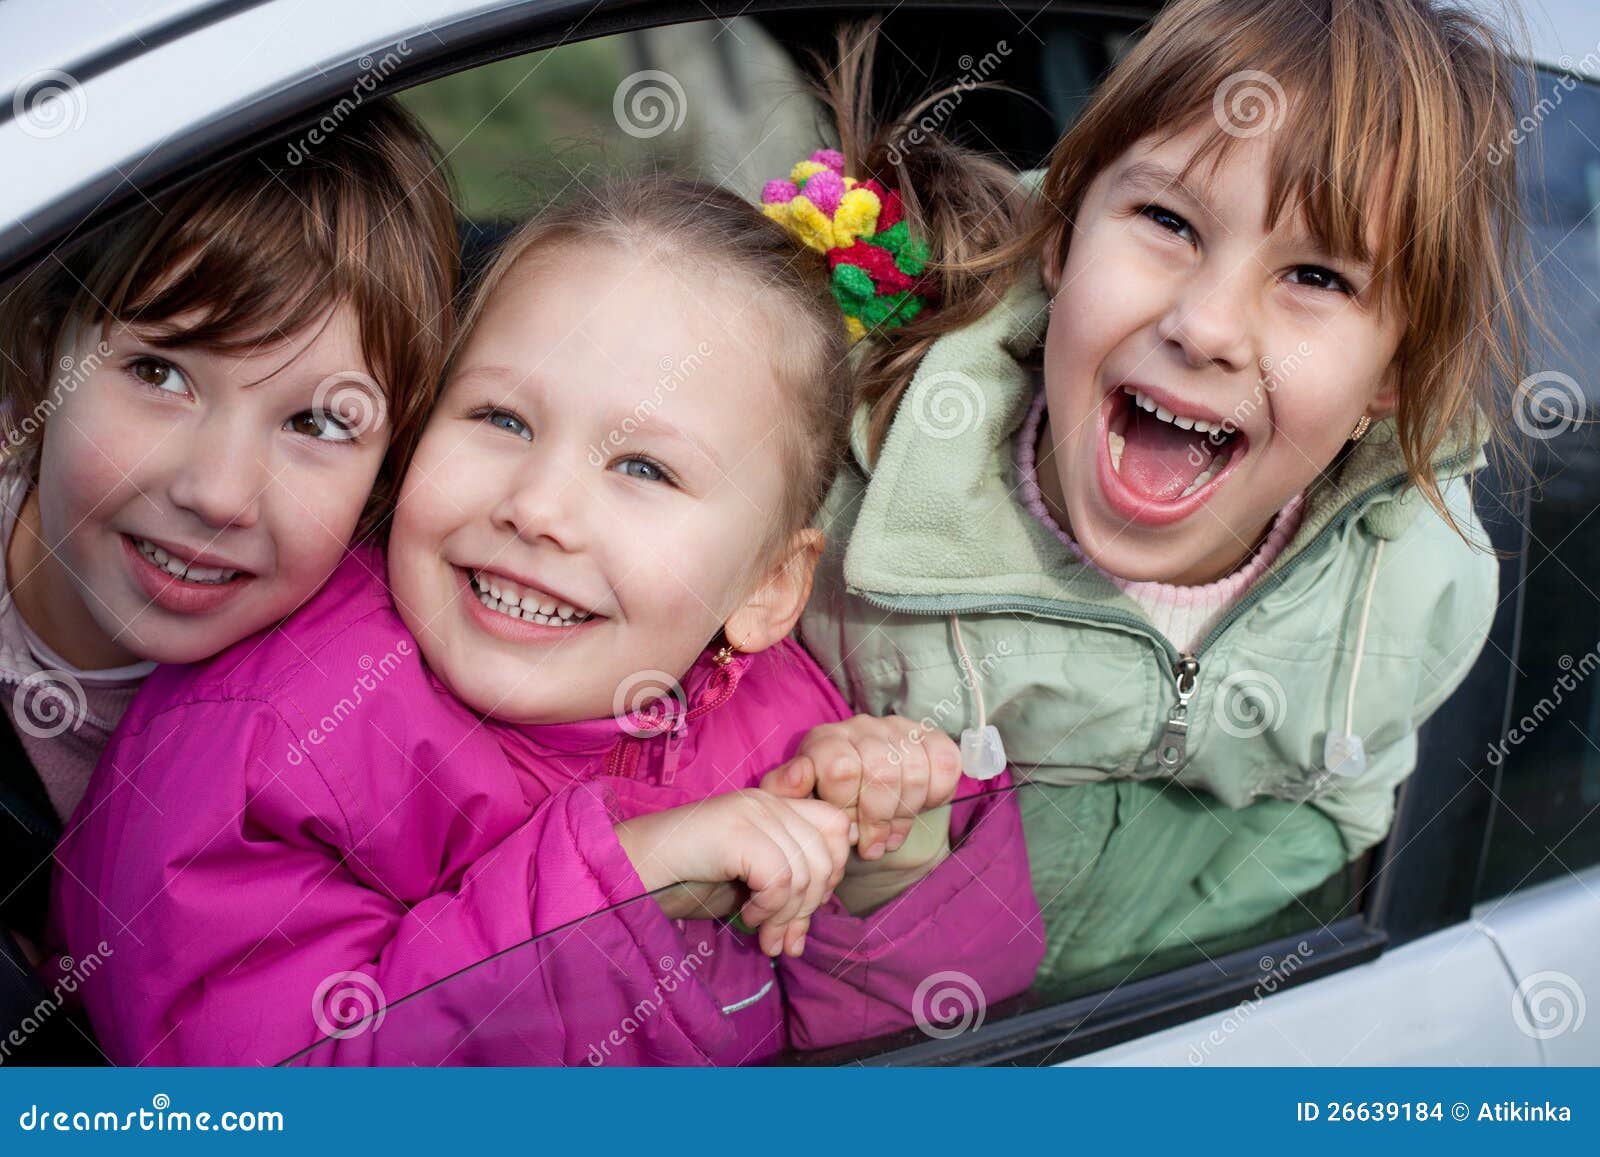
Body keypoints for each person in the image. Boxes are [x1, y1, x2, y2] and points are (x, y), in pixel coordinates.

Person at [54, 174, 1042, 1065]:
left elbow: (919, 1059)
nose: (539, 507)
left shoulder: (786, 722)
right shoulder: (278, 733)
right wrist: (626, 882)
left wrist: (894, 857)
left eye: (643, 468)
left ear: (768, 589)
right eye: (502, 420)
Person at [800, 0, 1533, 991]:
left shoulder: (1412, 587)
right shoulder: (846, 527)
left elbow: (1336, 838)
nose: (1205, 324)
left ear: (1391, 378)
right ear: (1059, 237)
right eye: (1167, 221)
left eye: (1315, 274)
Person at [0, 101, 457, 1054]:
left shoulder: (379, 704)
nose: (218, 494)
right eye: (161, 372)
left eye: (319, 424)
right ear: (46, 350)